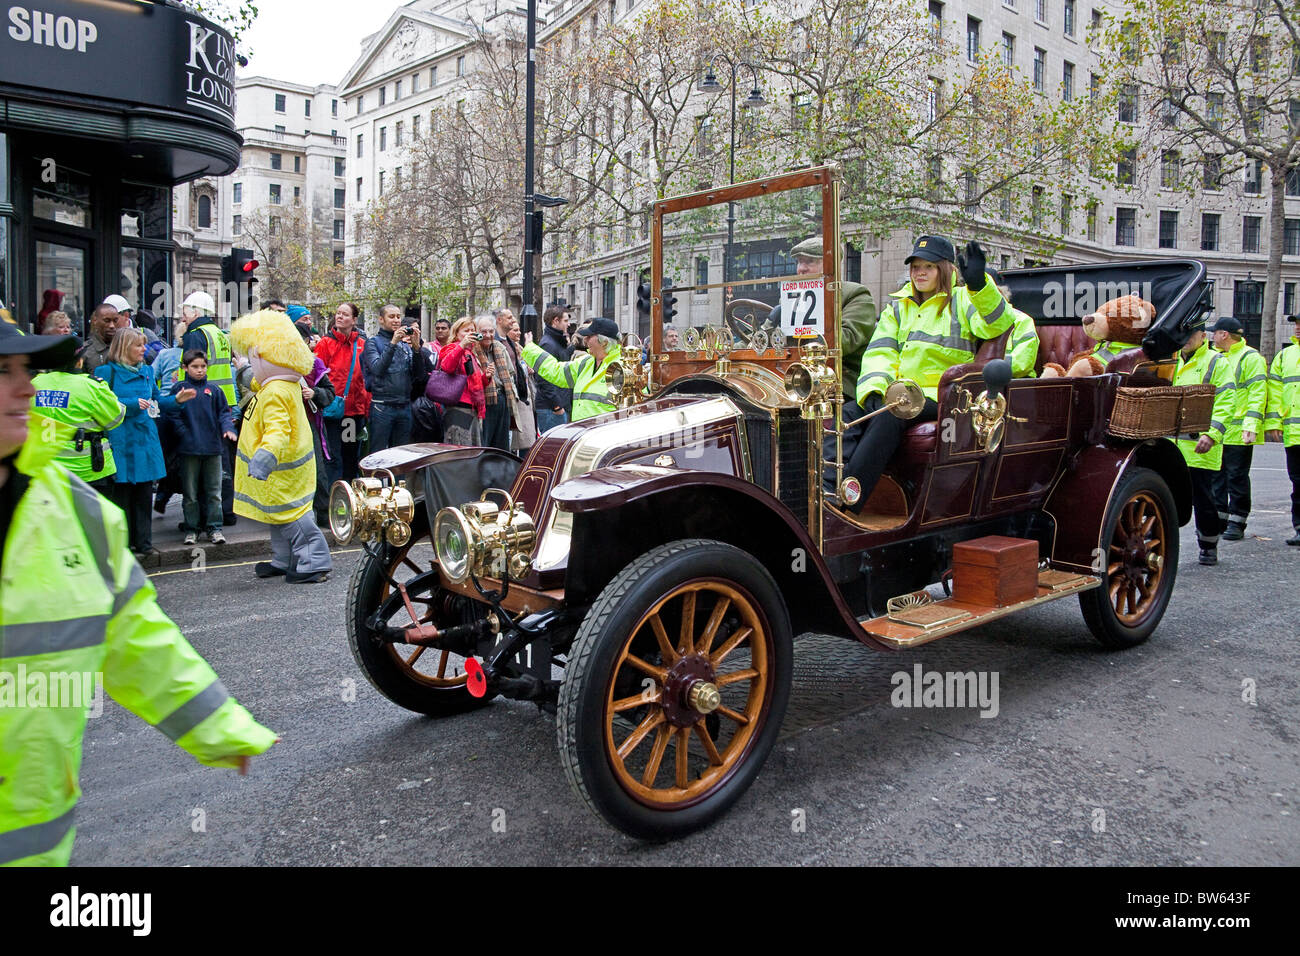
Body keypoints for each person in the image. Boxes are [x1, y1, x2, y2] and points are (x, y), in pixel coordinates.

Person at [0, 322, 277, 867]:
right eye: (1, 373)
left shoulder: (75, 510)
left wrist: (219, 727)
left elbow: (135, 636)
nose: (26, 389)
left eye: (21, 371)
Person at [845, 237, 1011, 510]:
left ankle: (850, 502)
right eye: (915, 267)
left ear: (945, 270)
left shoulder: (962, 301)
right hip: (898, 394)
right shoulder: (897, 306)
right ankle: (826, 493)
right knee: (846, 413)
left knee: (890, 416)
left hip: (945, 395)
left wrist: (980, 286)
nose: (919, 273)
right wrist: (876, 390)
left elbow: (998, 324)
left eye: (928, 267)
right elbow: (880, 353)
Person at [231, 310, 333, 583]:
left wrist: (265, 456)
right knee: (278, 514)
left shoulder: (276, 389)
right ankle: (285, 559)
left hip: (281, 468)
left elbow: (278, 430)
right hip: (282, 470)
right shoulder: (278, 383)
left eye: (255, 355)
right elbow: (254, 380)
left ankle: (314, 562)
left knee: (293, 516)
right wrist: (242, 368)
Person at [95, 328, 195, 558]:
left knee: (142, 494)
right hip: (120, 439)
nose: (144, 349)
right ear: (124, 348)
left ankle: (144, 543)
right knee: (121, 495)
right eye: (138, 345)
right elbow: (100, 403)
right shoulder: (106, 372)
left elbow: (156, 402)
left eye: (143, 345)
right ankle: (123, 544)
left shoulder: (148, 371)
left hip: (144, 439)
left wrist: (176, 400)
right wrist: (130, 404)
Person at [1173, 320, 1235, 565]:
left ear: (1203, 335)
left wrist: (1212, 435)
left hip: (1199, 446)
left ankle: (1208, 546)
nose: (1187, 338)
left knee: (1203, 499)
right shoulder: (1172, 359)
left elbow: (1227, 400)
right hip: (1172, 446)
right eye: (1183, 334)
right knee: (1164, 499)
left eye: (1191, 334)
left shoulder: (1216, 362)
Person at [30, 338, 125, 495]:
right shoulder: (91, 386)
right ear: (79, 361)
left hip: (46, 470)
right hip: (89, 471)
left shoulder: (35, 384)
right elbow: (115, 419)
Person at [178, 290, 238, 525]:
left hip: (202, 402)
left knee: (203, 462)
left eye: (184, 313)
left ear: (195, 312)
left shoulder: (195, 335)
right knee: (221, 461)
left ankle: (204, 517)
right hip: (225, 401)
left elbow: (188, 369)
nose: (182, 319)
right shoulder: (219, 334)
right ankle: (225, 511)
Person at [1208, 316, 1267, 540]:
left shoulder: (1251, 357)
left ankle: (1237, 520)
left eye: (1215, 332)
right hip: (1219, 429)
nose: (1212, 336)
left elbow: (1257, 392)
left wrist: (1251, 424)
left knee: (1236, 476)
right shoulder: (1218, 357)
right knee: (1217, 475)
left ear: (1225, 335)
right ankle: (1220, 518)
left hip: (1239, 429)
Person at [170, 349, 236, 546]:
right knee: (190, 494)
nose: (199, 371)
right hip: (189, 449)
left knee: (214, 492)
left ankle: (215, 528)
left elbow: (224, 413)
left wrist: (227, 428)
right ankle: (192, 529)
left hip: (213, 448)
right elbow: (173, 414)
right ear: (185, 368)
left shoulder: (214, 391)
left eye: (203, 366)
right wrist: (184, 433)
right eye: (194, 367)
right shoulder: (179, 390)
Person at [521, 316, 622, 422]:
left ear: (604, 342)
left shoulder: (623, 369)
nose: (585, 340)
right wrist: (530, 349)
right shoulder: (585, 363)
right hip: (582, 433)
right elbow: (556, 371)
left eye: (589, 336)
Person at [314, 301, 370, 483]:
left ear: (354, 320)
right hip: (332, 410)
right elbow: (318, 376)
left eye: (345, 314)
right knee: (333, 456)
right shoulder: (325, 343)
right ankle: (333, 497)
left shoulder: (361, 344)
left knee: (351, 454)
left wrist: (365, 408)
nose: (339, 317)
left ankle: (348, 495)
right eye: (338, 313)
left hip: (353, 412)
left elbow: (365, 378)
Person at [363, 304, 427, 453]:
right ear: (381, 319)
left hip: (404, 406)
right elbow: (377, 369)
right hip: (382, 406)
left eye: (398, 316)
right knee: (378, 453)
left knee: (401, 455)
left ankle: (400, 478)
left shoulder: (405, 346)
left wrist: (417, 349)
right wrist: (393, 343)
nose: (396, 320)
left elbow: (419, 376)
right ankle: (376, 477)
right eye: (391, 317)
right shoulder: (373, 343)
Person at [1266, 313, 1300, 546]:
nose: (1297, 328)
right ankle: (1299, 528)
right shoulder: (1285, 356)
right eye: (1297, 324)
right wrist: (1275, 423)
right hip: (1294, 435)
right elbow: (1275, 391)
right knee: (1297, 484)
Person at [436, 316, 487, 445]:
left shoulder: (471, 353)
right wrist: (462, 345)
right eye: (466, 331)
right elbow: (447, 367)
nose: (470, 333)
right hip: (457, 408)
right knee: (459, 452)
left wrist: (487, 377)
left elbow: (473, 383)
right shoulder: (451, 348)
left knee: (471, 452)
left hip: (472, 408)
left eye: (472, 330)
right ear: (456, 333)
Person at [476, 314, 517, 451]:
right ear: (477, 332)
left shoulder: (499, 347)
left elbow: (510, 373)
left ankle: (500, 472)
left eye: (491, 331)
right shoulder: (472, 350)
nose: (488, 335)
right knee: (485, 444)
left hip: (502, 400)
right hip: (484, 402)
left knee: (502, 446)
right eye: (483, 331)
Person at [535, 304, 574, 432]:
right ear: (555, 321)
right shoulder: (548, 344)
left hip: (557, 406)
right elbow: (543, 379)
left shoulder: (555, 342)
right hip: (551, 409)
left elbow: (561, 363)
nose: (568, 324)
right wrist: (557, 406)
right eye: (565, 320)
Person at [505, 316, 537, 451]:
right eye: (515, 330)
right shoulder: (506, 349)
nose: (518, 333)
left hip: (526, 399)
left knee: (527, 439)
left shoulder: (520, 348)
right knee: (520, 440)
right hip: (518, 399)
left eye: (519, 330)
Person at [79, 303, 120, 373]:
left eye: (115, 321)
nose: (112, 326)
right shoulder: (85, 352)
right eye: (107, 321)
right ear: (95, 321)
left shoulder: (125, 347)